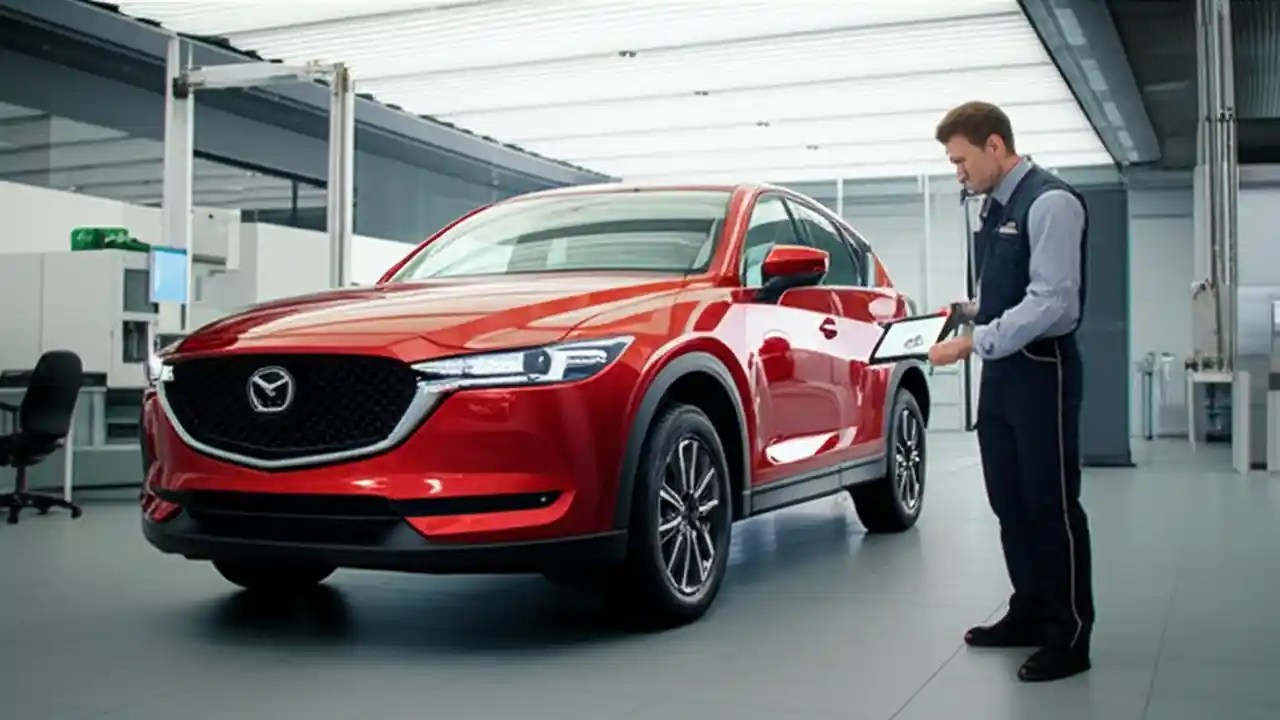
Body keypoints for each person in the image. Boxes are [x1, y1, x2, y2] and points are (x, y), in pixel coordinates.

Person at [926, 101, 1095, 682]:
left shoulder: (1050, 202)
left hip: (1041, 369)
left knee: (1050, 504)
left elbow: (1053, 302)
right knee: (1009, 501)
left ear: (994, 146)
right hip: (1002, 373)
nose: (959, 173)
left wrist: (973, 342)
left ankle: (1069, 634)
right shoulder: (995, 207)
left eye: (962, 160)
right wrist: (962, 314)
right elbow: (1008, 295)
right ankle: (1029, 610)